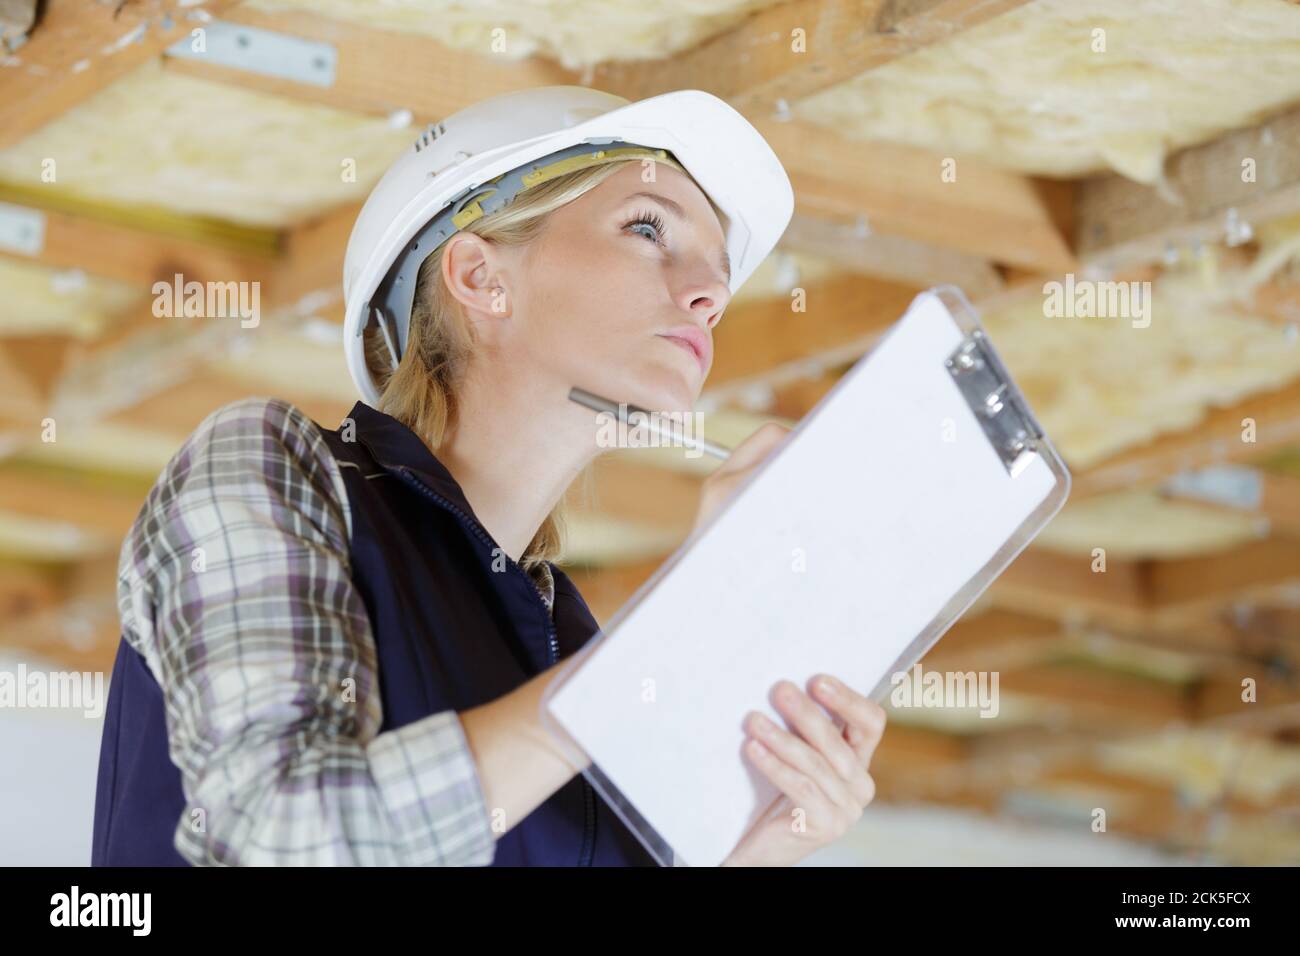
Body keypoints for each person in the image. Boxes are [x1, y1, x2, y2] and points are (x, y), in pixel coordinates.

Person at [92, 86, 887, 867]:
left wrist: (753, 849)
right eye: (648, 228)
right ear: (478, 276)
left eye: (717, 280)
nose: (711, 295)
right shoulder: (273, 468)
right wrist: (670, 631)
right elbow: (282, 839)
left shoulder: (569, 643)